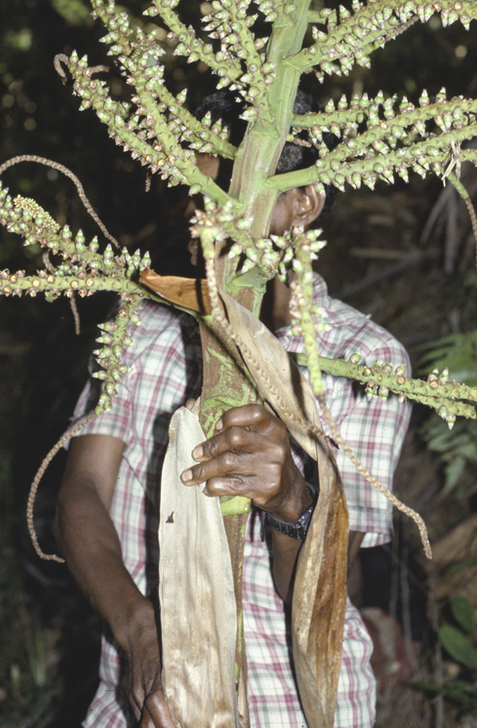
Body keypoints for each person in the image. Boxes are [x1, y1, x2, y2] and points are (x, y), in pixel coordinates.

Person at [54, 92, 411, 728]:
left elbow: (330, 589)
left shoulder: (365, 361)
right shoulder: (143, 326)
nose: (201, 219)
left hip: (292, 705)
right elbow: (80, 492)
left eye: (226, 192)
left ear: (303, 202)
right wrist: (139, 629)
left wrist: (295, 503)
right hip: (143, 700)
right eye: (194, 191)